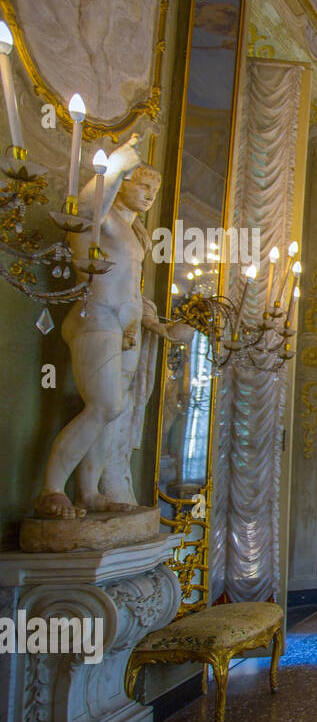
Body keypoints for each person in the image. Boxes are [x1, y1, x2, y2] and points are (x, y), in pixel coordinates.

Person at [36, 134, 191, 518]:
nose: (151, 194)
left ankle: (88, 491)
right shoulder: (100, 222)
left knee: (114, 411)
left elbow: (131, 288)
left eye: (155, 188)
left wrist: (155, 324)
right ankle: (52, 489)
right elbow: (88, 205)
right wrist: (117, 163)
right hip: (97, 318)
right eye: (143, 185)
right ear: (121, 183)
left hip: (128, 329)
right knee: (104, 405)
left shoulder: (133, 232)